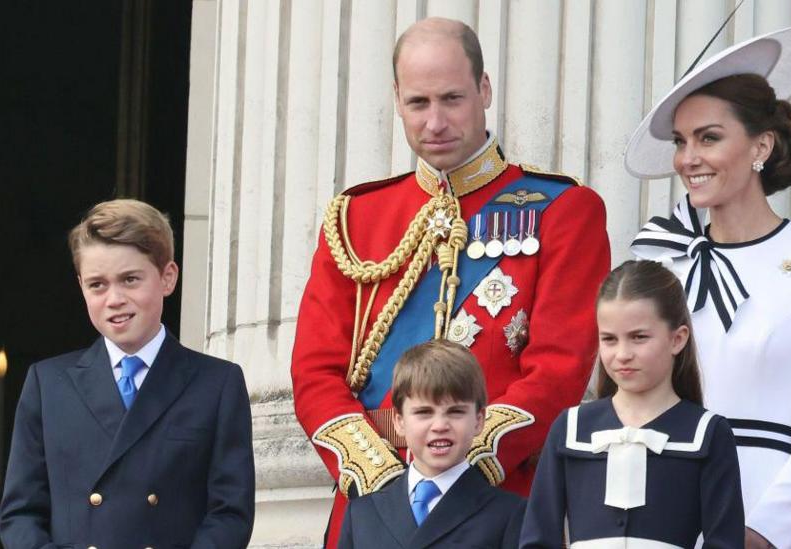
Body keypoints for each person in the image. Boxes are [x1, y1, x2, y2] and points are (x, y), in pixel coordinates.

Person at [291, 17, 610, 547]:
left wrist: (463, 466)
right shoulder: (356, 217)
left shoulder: (562, 209)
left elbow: (559, 368)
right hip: (370, 503)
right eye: (418, 103)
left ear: (484, 90)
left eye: (452, 99)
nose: (435, 121)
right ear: (396, 99)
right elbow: (313, 370)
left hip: (500, 500)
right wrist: (379, 477)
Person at [625, 26, 791, 549]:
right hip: (656, 507)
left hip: (764, 513)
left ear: (761, 145)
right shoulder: (659, 258)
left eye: (709, 137)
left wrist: (761, 531)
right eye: (680, 142)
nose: (689, 158)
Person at [0, 199, 255, 549]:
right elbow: (20, 515)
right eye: (97, 285)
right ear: (81, 287)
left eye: (130, 279)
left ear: (168, 277)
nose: (114, 298)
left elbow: (230, 513)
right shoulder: (47, 384)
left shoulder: (217, 384)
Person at [520, 260, 744, 548]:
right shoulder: (570, 427)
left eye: (639, 337)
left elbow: (725, 542)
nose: (623, 354)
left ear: (677, 339)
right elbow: (538, 538)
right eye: (609, 339)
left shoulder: (708, 433)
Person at [338, 340, 525, 549]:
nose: (440, 425)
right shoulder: (362, 514)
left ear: (479, 420)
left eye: (456, 412)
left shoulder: (511, 515)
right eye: (424, 412)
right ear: (399, 421)